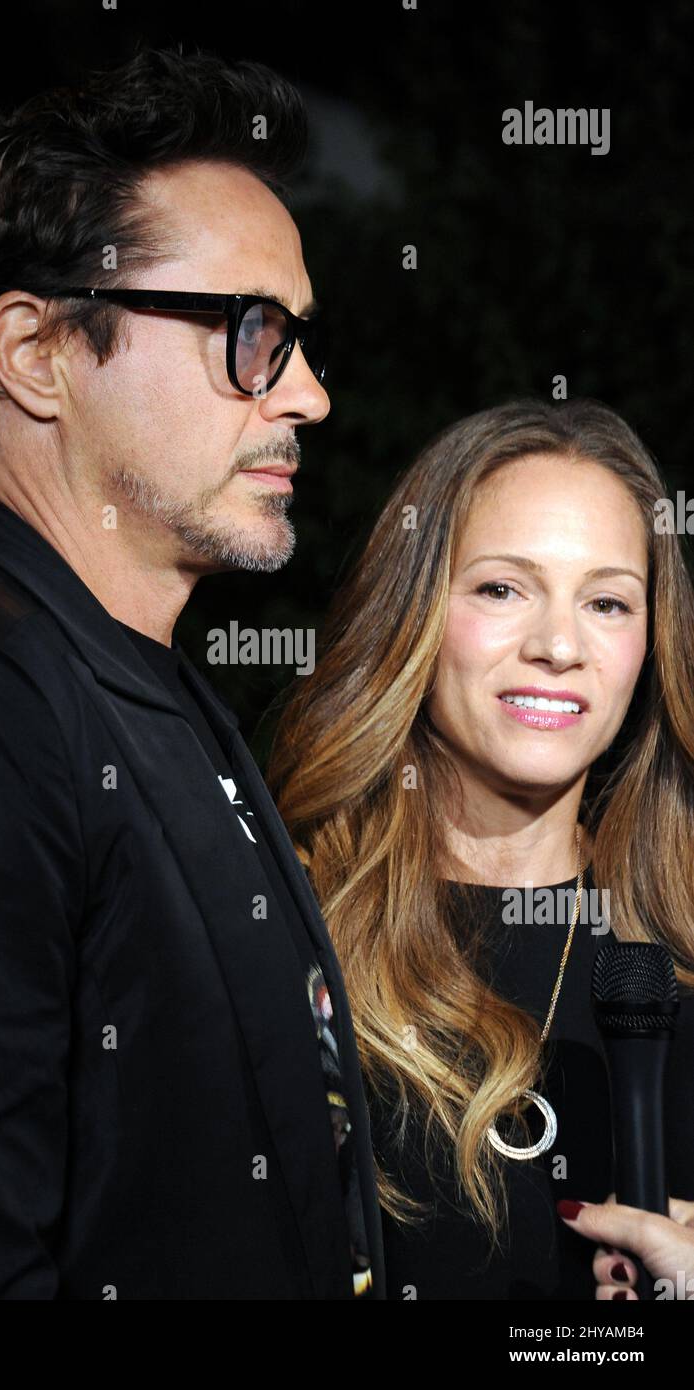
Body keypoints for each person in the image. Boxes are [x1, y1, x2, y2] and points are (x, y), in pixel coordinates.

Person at [0, 48, 384, 1299]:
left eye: (297, 338)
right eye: (252, 331)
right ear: (34, 351)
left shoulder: (154, 694)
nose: (309, 392)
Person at [268, 397, 694, 1299]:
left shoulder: (677, 956)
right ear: (414, 613)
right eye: (502, 588)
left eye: (607, 602)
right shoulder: (288, 929)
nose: (556, 646)